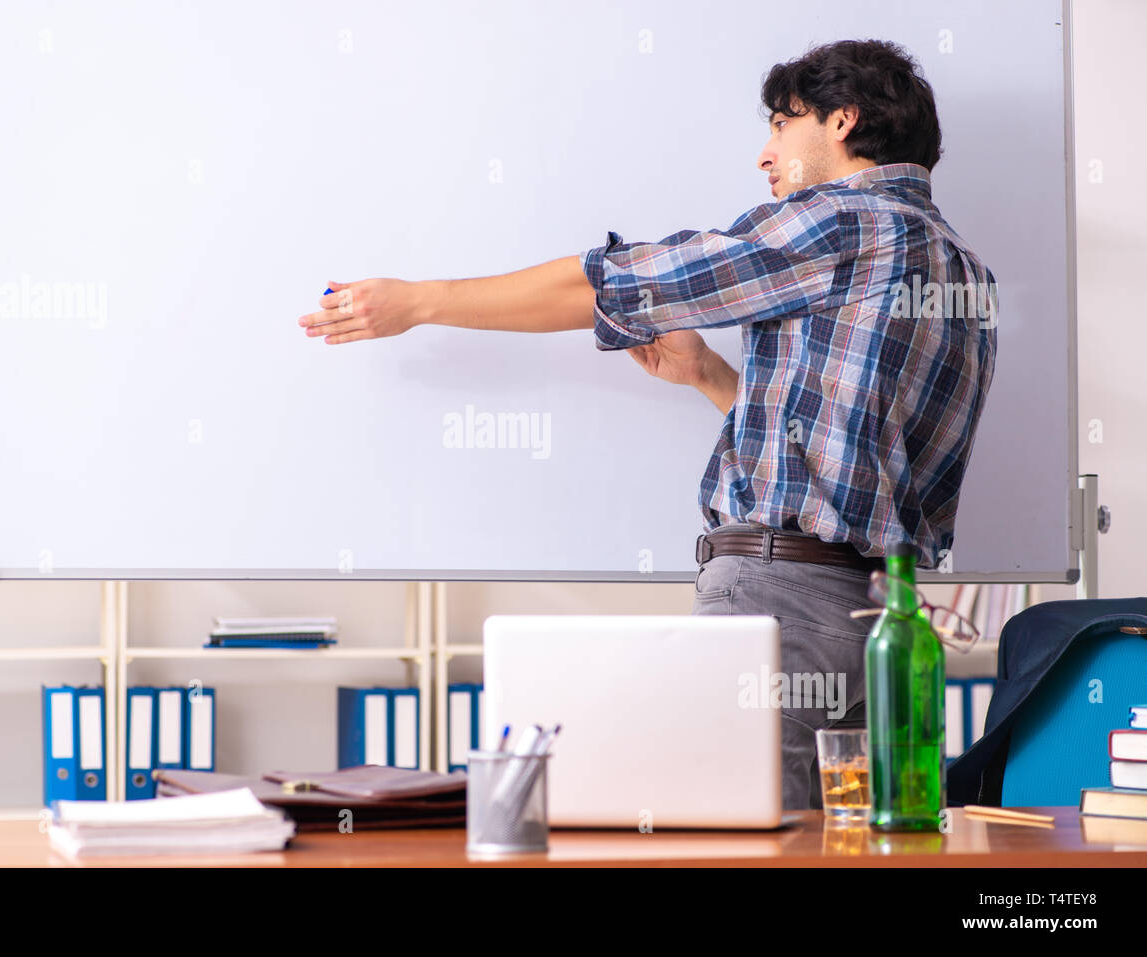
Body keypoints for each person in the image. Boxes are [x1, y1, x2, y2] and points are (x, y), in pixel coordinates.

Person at [297, 39, 997, 811]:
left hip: (780, 603)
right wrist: (709, 376)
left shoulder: (835, 225)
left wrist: (420, 302)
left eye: (779, 125)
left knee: (739, 844)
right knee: (845, 848)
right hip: (883, 627)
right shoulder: (966, 272)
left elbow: (613, 283)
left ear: (842, 120)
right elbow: (850, 452)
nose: (765, 157)